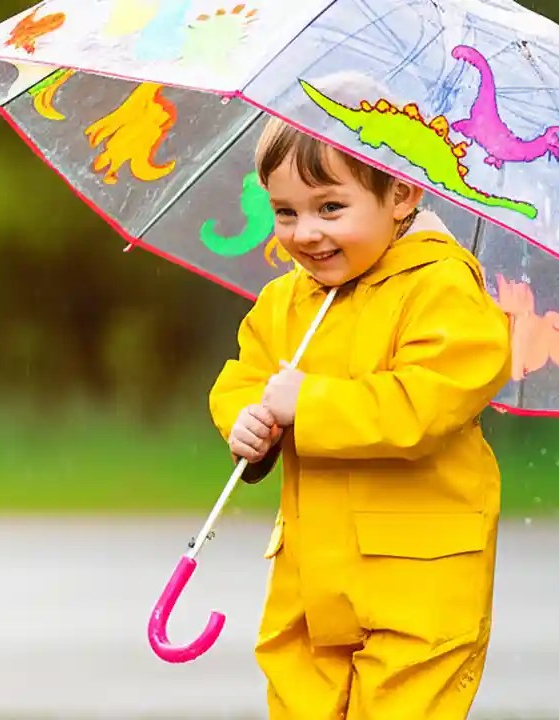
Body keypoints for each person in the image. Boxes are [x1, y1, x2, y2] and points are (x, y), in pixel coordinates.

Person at [208, 113, 512, 719]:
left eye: (330, 208)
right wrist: (248, 420)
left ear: (401, 194)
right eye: (286, 212)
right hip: (310, 579)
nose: (305, 233)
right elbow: (249, 375)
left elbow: (425, 402)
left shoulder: (442, 289)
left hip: (417, 581)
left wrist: (311, 403)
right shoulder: (287, 301)